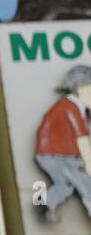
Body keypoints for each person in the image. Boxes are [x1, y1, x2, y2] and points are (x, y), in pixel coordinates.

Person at [33, 65, 91, 222]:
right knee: (87, 186)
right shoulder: (70, 108)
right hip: (58, 155)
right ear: (83, 89)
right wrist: (89, 165)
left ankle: (42, 204)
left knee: (64, 185)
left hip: (51, 154)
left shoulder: (72, 106)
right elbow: (83, 140)